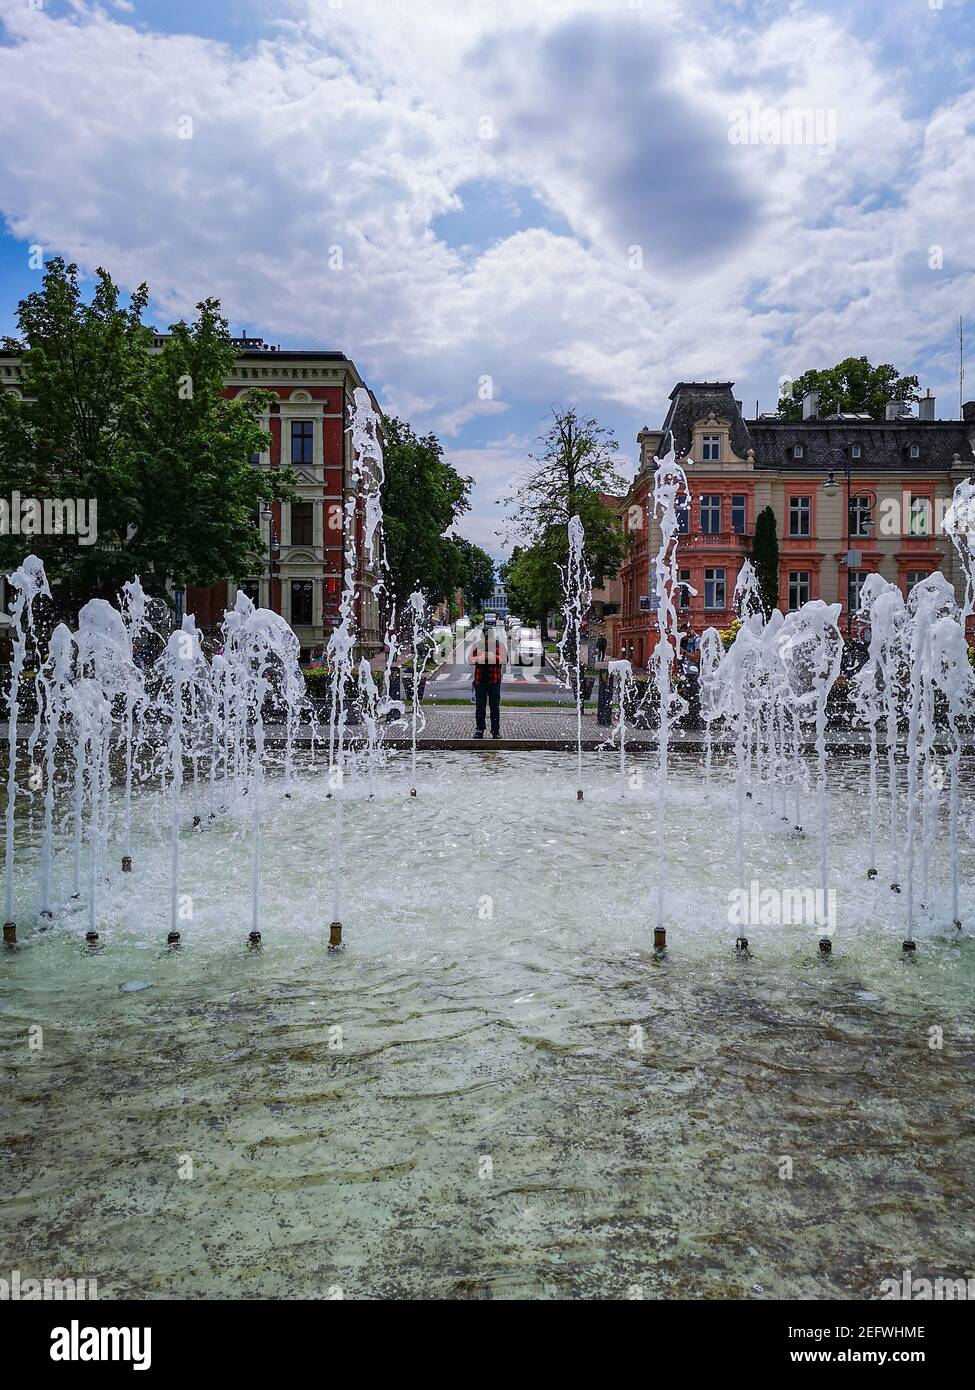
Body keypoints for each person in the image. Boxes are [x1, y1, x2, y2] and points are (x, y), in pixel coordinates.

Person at [469, 627, 507, 738]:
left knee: (494, 706)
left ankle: (494, 731)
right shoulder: (476, 645)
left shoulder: (499, 645)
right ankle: (480, 729)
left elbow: (505, 659)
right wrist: (478, 659)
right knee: (480, 706)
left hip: (494, 681)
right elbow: (470, 659)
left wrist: (493, 657)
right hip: (480, 680)